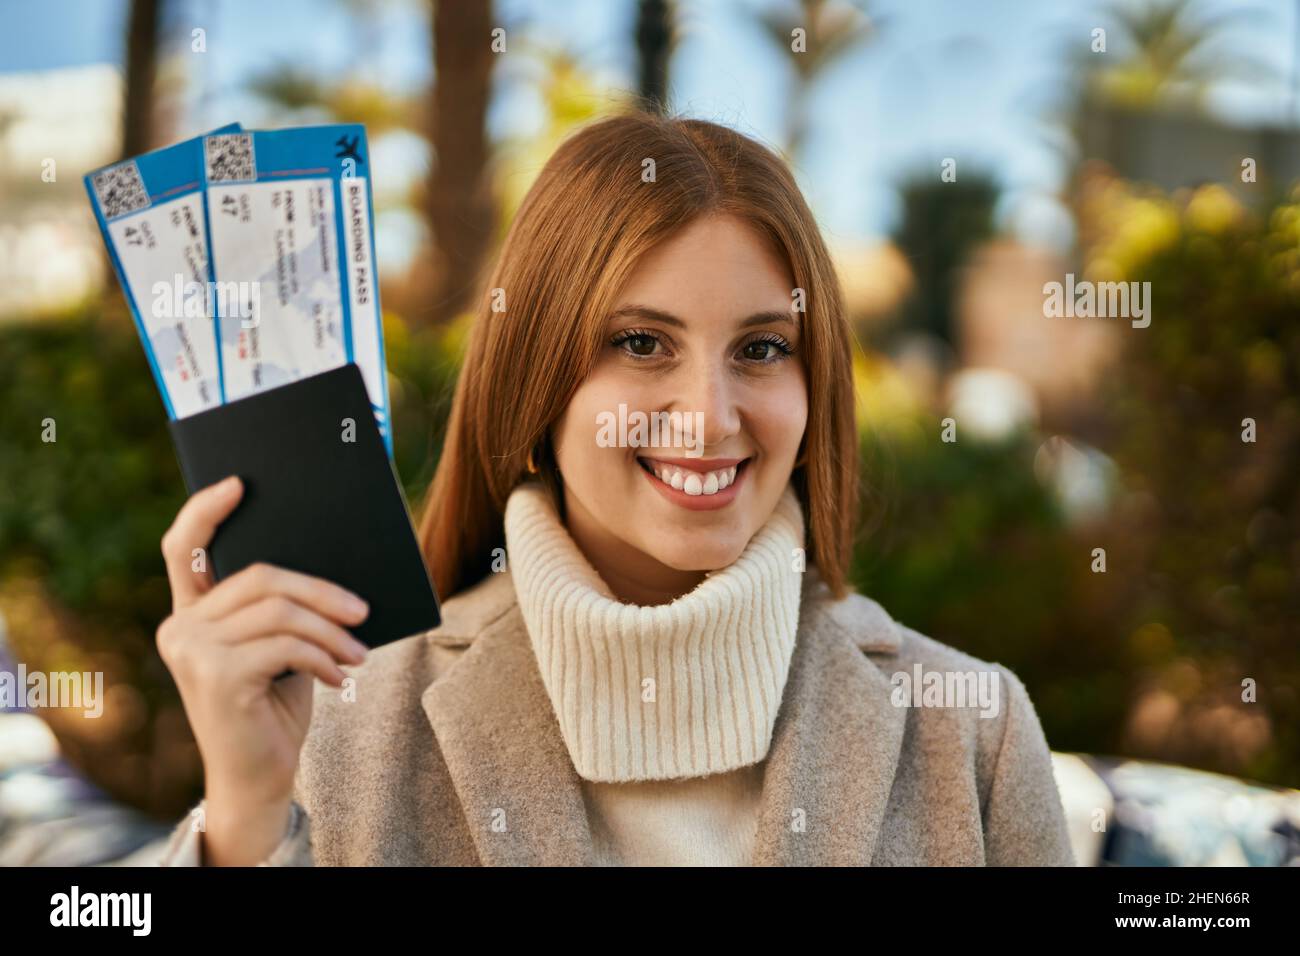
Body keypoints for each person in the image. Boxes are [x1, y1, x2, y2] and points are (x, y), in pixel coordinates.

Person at [154, 110, 1075, 866]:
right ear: (538, 380)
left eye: (761, 349)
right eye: (641, 344)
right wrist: (242, 819)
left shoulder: (972, 733)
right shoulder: (343, 725)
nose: (709, 416)